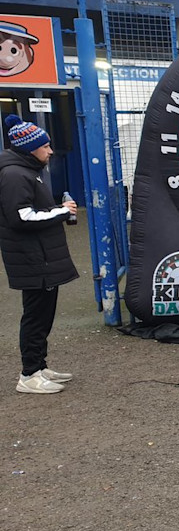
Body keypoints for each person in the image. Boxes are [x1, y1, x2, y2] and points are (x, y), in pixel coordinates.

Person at [0, 115, 79, 394]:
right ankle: (29, 374)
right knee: (35, 317)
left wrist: (55, 209)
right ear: (29, 148)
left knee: (43, 315)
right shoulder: (14, 174)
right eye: (45, 146)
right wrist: (61, 211)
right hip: (33, 259)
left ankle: (39, 366)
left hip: (40, 257)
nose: (50, 151)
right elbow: (20, 217)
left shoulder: (26, 170)